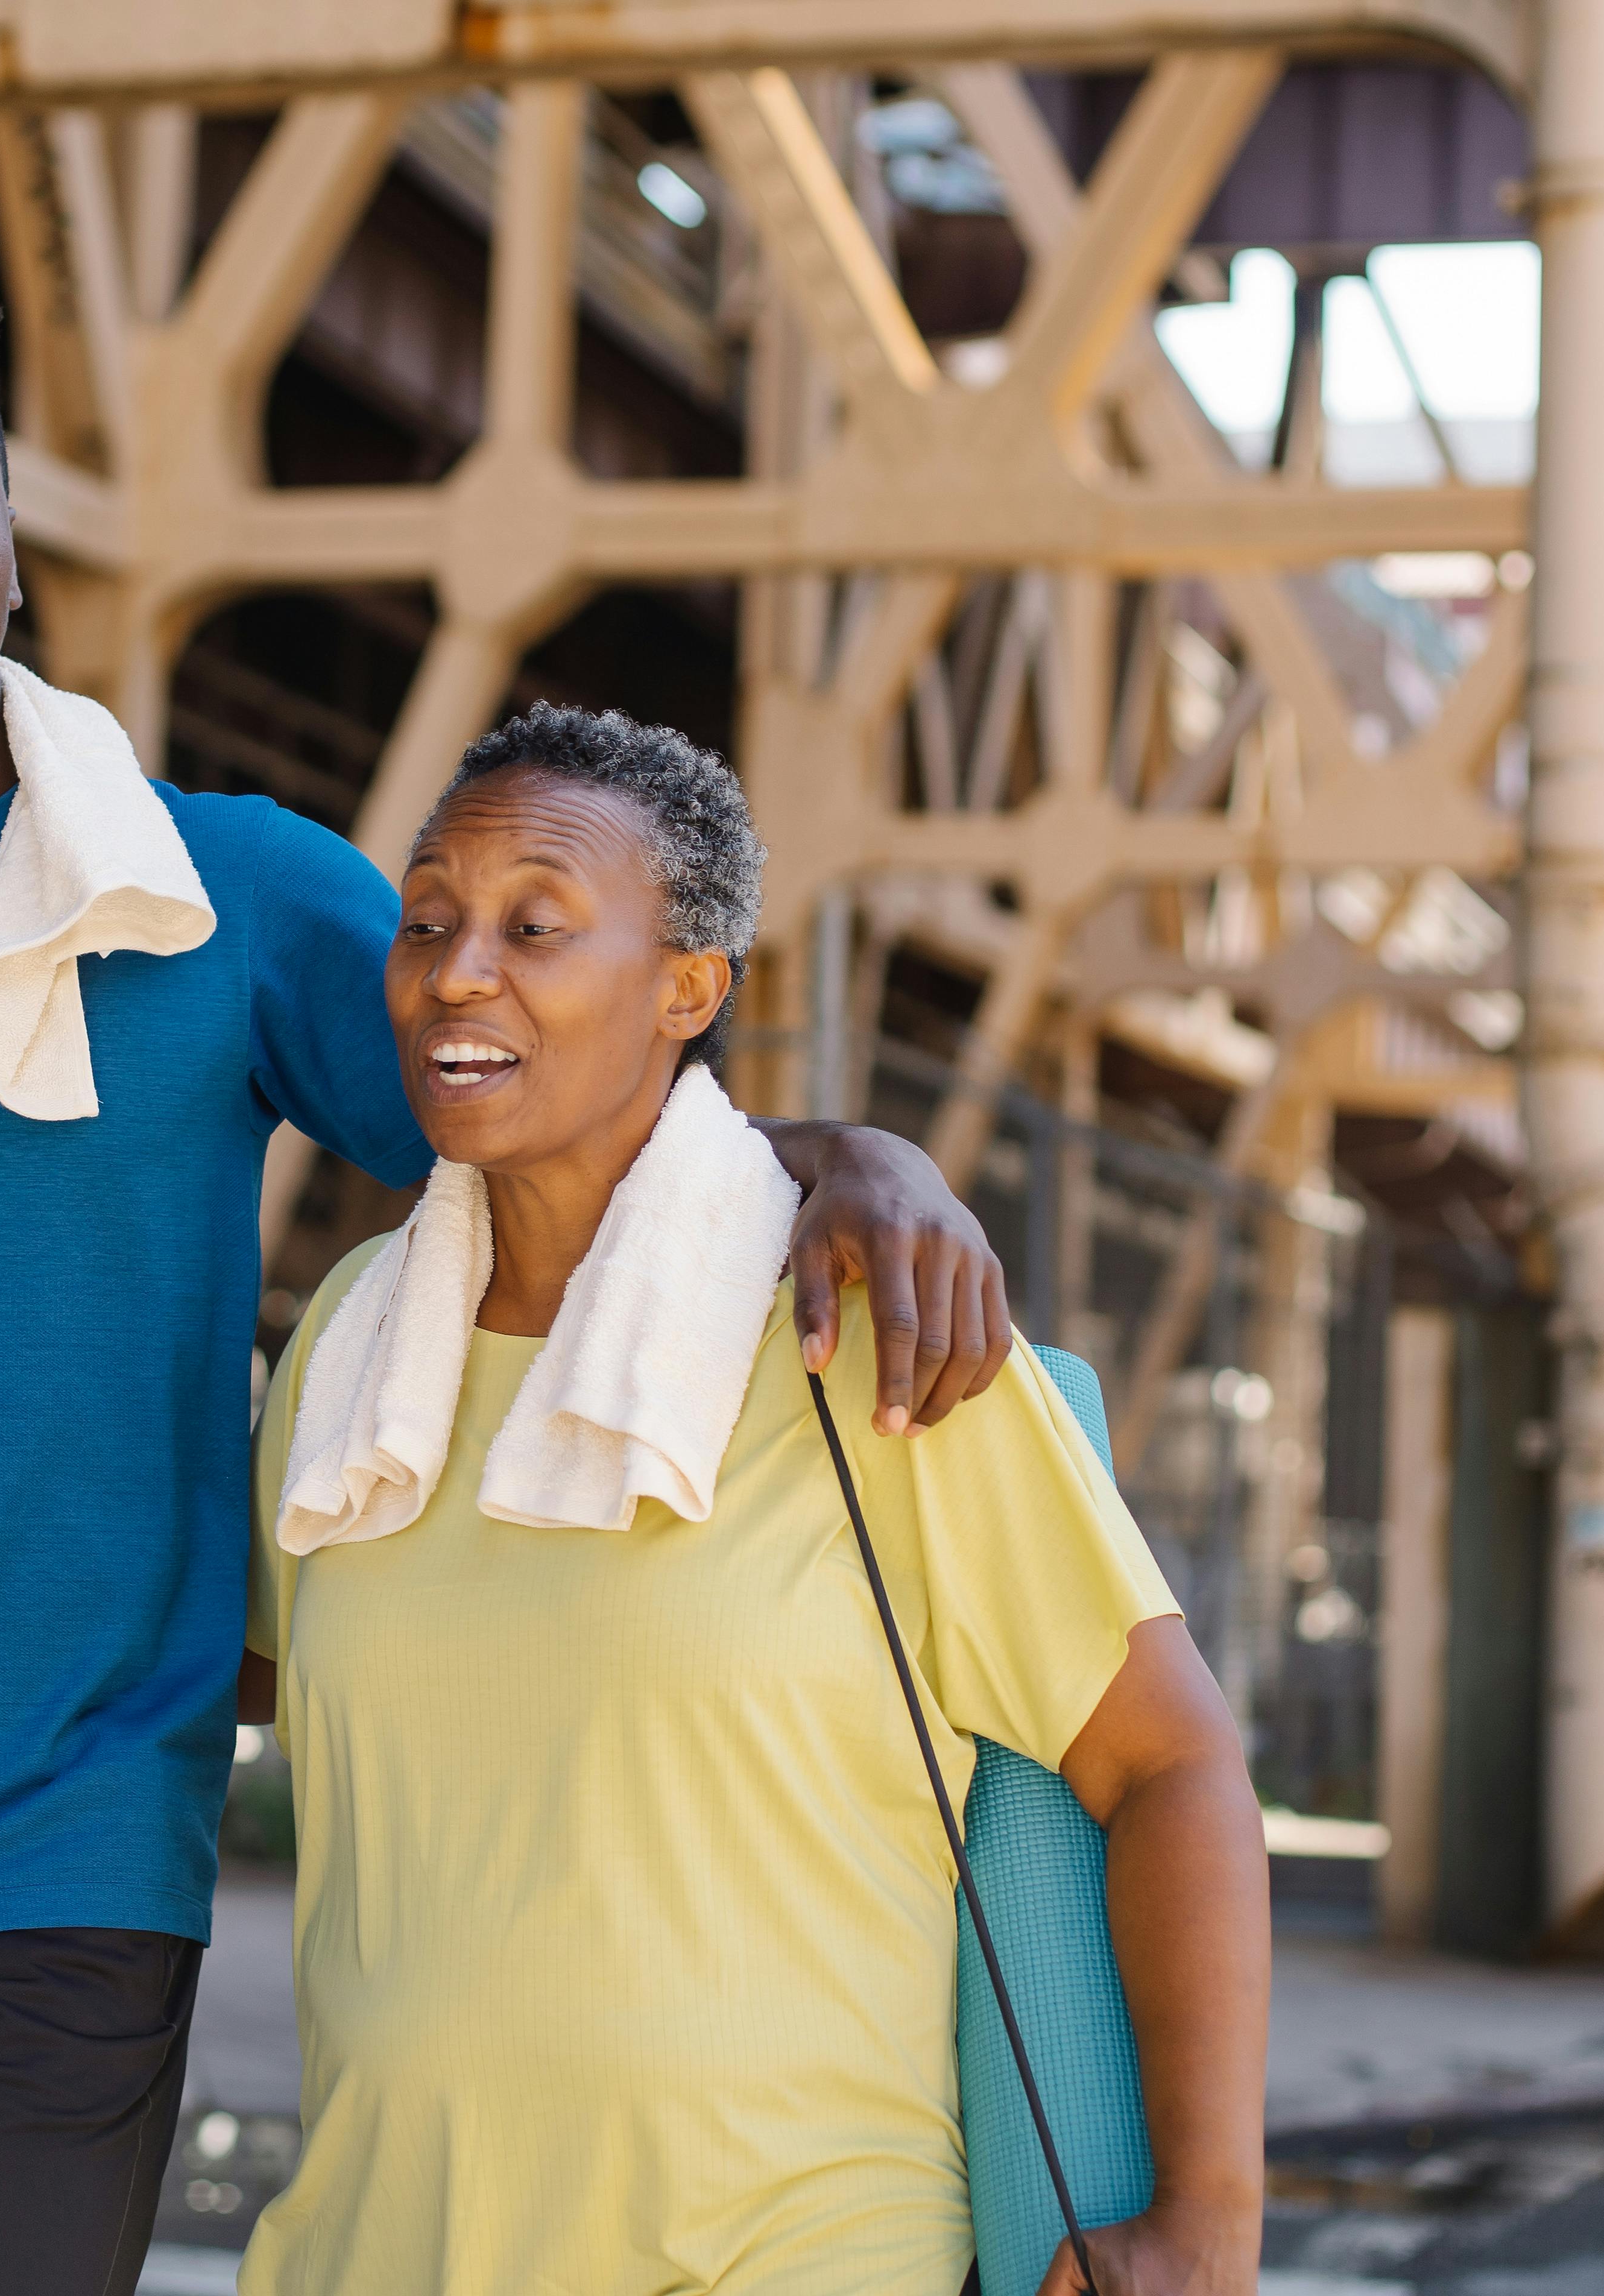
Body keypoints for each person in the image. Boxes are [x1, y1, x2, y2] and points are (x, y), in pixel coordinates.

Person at [0, 230, 1021, 2296]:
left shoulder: (210, 896)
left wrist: (845, 1153)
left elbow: (563, 1118)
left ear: (6, 536)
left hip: (46, 1867)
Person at [238, 707, 1272, 2296]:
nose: (455, 971)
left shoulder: (876, 1338)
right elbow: (250, 1682)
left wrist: (1208, 2226)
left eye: (537, 927)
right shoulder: (357, 1353)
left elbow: (1173, 1761)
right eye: (430, 919)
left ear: (687, 990)